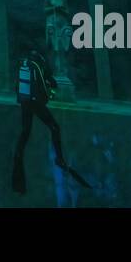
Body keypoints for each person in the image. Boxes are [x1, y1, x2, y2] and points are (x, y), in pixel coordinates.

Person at [12, 48, 92, 194]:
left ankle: (18, 154)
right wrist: (51, 91)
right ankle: (59, 159)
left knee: (26, 130)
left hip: (25, 100)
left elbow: (18, 83)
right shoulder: (41, 62)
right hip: (36, 102)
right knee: (54, 127)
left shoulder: (25, 62)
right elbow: (49, 81)